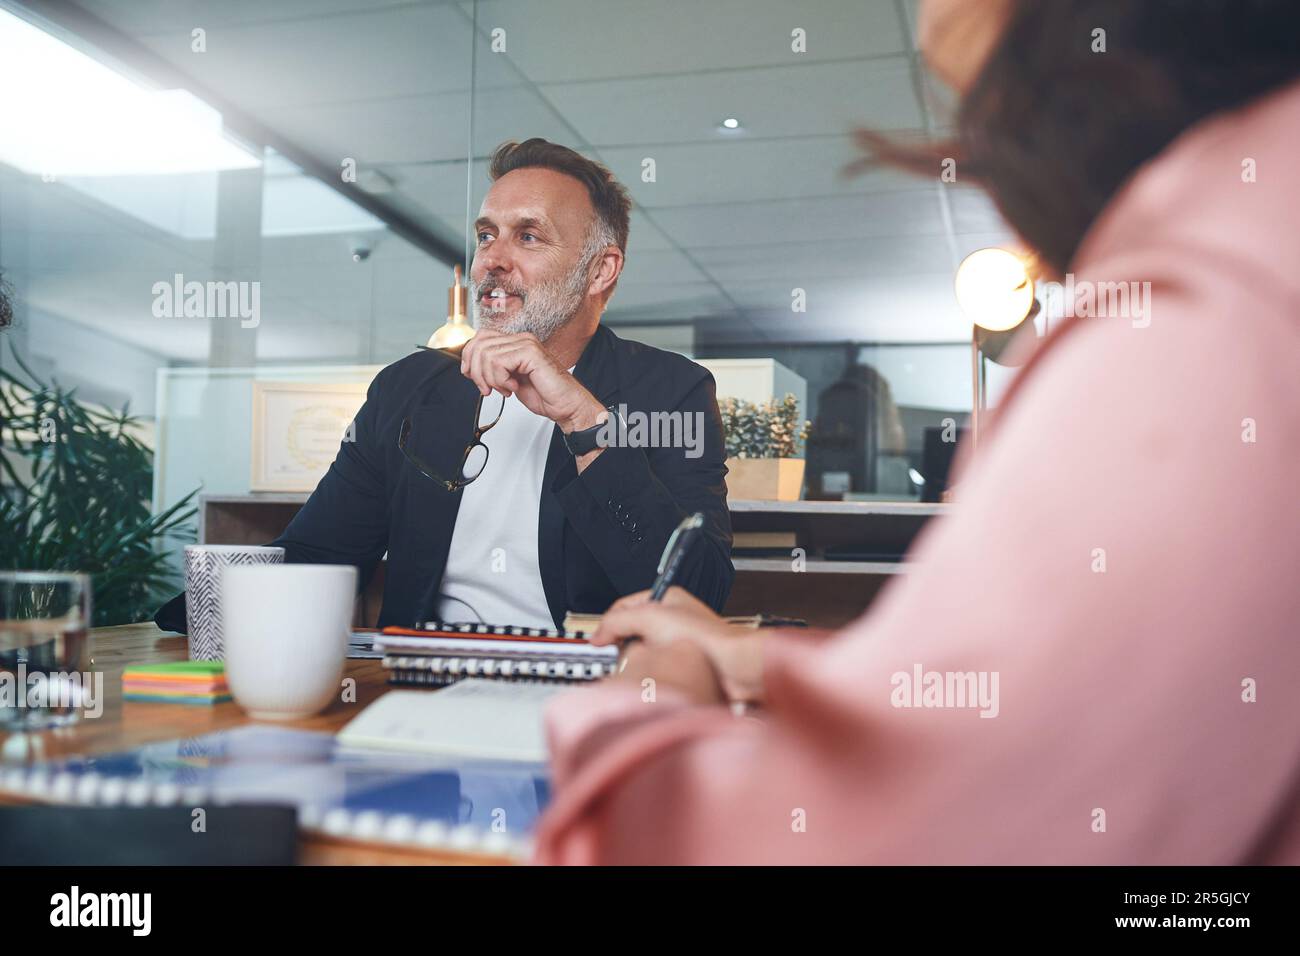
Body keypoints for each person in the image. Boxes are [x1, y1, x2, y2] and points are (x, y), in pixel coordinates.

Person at [531, 0, 1300, 864]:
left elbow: (854, 840)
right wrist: (774, 668)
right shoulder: (1253, 239)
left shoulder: (1200, 320)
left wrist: (642, 698)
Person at [156, 139, 733, 633]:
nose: (492, 261)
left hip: (586, 704)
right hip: (419, 690)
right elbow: (321, 554)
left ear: (600, 270)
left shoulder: (671, 391)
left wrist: (585, 423)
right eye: (486, 235)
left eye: (528, 237)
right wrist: (187, 612)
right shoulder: (407, 389)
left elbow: (695, 594)